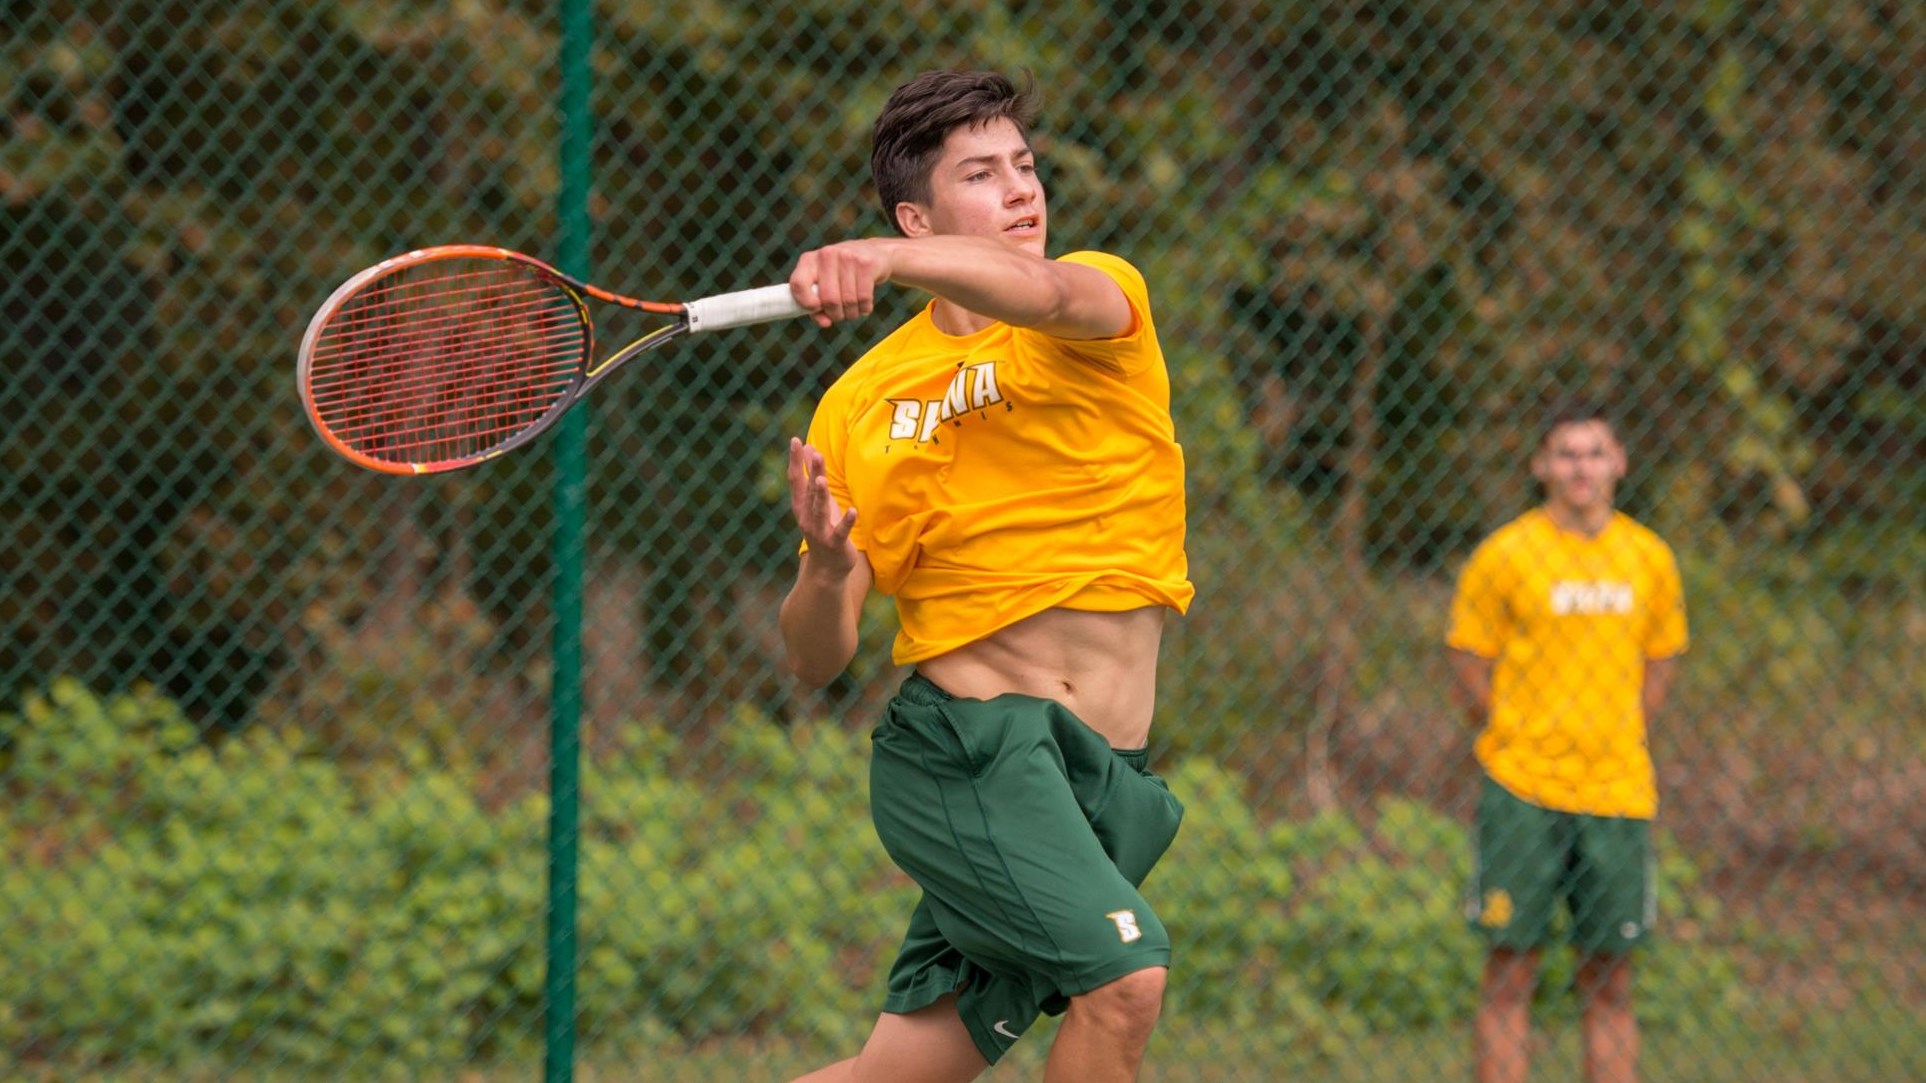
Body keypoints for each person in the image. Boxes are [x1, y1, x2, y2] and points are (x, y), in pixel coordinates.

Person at [775, 69, 1193, 1083]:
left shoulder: (1096, 305)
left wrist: (883, 258)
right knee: (1124, 980)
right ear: (917, 213)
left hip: (1100, 774)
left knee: (901, 1071)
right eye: (981, 173)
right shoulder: (865, 403)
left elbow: (1044, 291)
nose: (1021, 191)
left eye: (1024, 166)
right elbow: (813, 659)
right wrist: (831, 571)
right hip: (971, 751)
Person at [1444, 401, 1689, 1083]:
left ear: (1619, 463)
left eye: (1594, 452)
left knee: (1609, 979)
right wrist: (1511, 728)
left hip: (1616, 790)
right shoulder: (1506, 554)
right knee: (1509, 971)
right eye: (1566, 453)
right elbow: (1468, 655)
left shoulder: (1648, 557)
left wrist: (1621, 728)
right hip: (1521, 786)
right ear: (1541, 466)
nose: (1581, 467)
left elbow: (1662, 656)